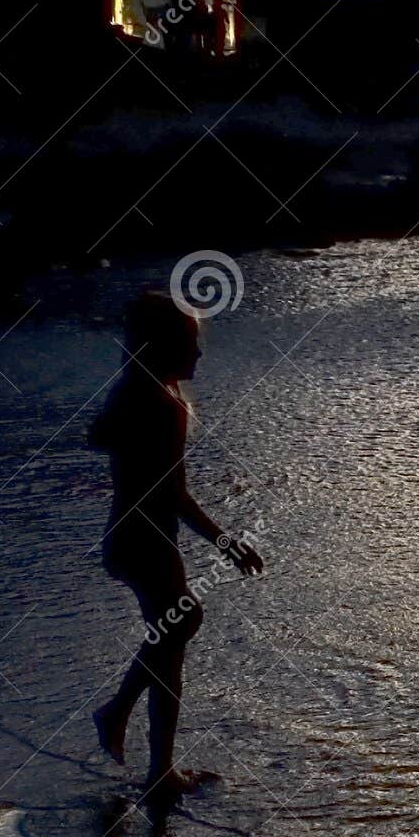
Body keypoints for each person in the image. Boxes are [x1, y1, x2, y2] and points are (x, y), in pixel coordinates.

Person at [89, 292, 263, 799]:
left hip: (127, 537)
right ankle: (127, 726)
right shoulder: (165, 406)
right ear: (160, 345)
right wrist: (226, 542)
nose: (199, 354)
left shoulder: (130, 393)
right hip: (148, 542)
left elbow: (102, 441)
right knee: (178, 629)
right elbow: (174, 493)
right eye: (189, 342)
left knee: (174, 636)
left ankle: (154, 765)